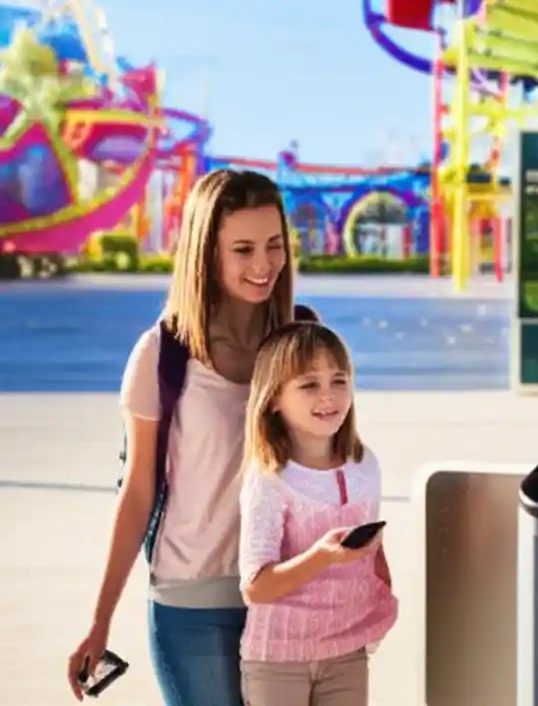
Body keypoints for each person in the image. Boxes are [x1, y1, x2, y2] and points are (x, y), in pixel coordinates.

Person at [67, 170, 298, 703]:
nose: (264, 264)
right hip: (192, 605)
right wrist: (100, 621)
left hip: (286, 596)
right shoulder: (161, 355)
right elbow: (137, 493)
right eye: (242, 249)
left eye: (273, 244)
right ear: (206, 254)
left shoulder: (300, 342)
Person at [238, 321, 396, 706]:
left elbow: (374, 555)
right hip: (278, 659)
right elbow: (256, 587)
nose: (328, 395)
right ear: (273, 399)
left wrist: (378, 609)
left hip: (347, 650)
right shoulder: (270, 478)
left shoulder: (364, 465)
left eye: (339, 381)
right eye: (309, 384)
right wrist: (321, 556)